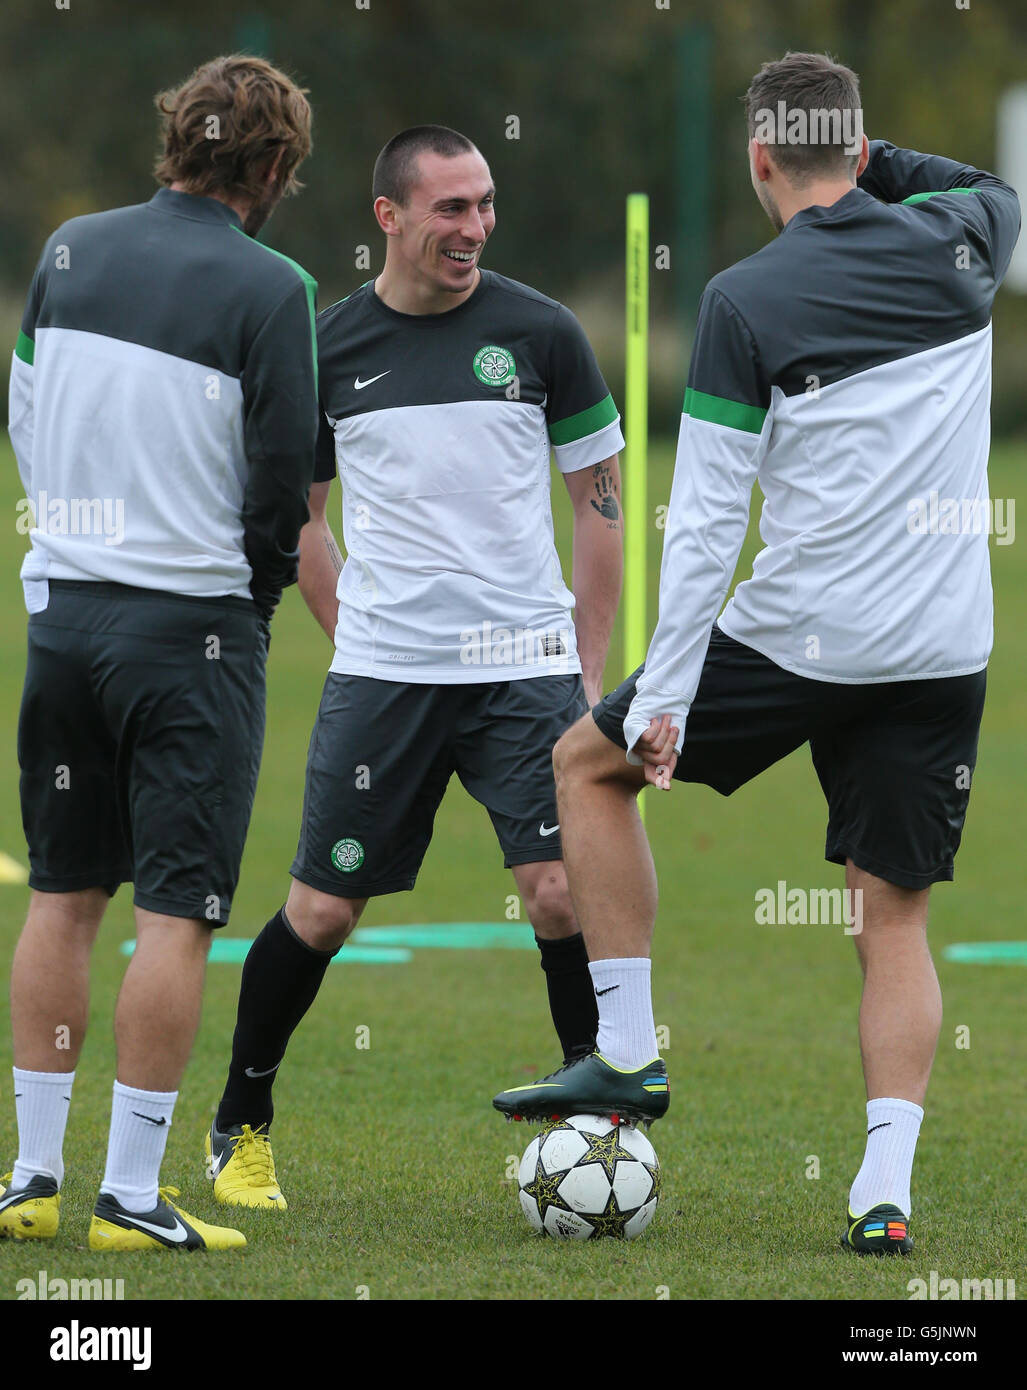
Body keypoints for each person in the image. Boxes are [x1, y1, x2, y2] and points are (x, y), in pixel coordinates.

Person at [493, 51, 1020, 1256]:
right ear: (863, 147)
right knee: (890, 921)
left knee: (587, 765)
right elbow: (986, 181)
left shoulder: (740, 299)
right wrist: (871, 155)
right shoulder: (971, 239)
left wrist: (665, 693)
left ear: (757, 161)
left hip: (799, 639)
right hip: (942, 648)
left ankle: (624, 1049)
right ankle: (881, 1194)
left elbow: (710, 519)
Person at [207, 125, 624, 1210]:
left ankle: (598, 1128)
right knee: (322, 911)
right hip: (386, 678)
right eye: (450, 208)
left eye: (484, 204)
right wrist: (359, 630)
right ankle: (241, 1119)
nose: (475, 227)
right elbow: (302, 521)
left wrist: (587, 667)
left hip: (526, 672)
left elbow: (599, 502)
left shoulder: (543, 332)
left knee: (557, 894)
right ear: (387, 216)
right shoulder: (325, 346)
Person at [1, 54, 318, 1251]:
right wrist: (258, 589)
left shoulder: (70, 246)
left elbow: (26, 419)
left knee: (64, 894)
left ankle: (31, 1180)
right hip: (190, 631)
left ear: (175, 138)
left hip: (62, 621)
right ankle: (130, 1197)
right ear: (274, 166)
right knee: (177, 911)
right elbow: (283, 480)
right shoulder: (277, 285)